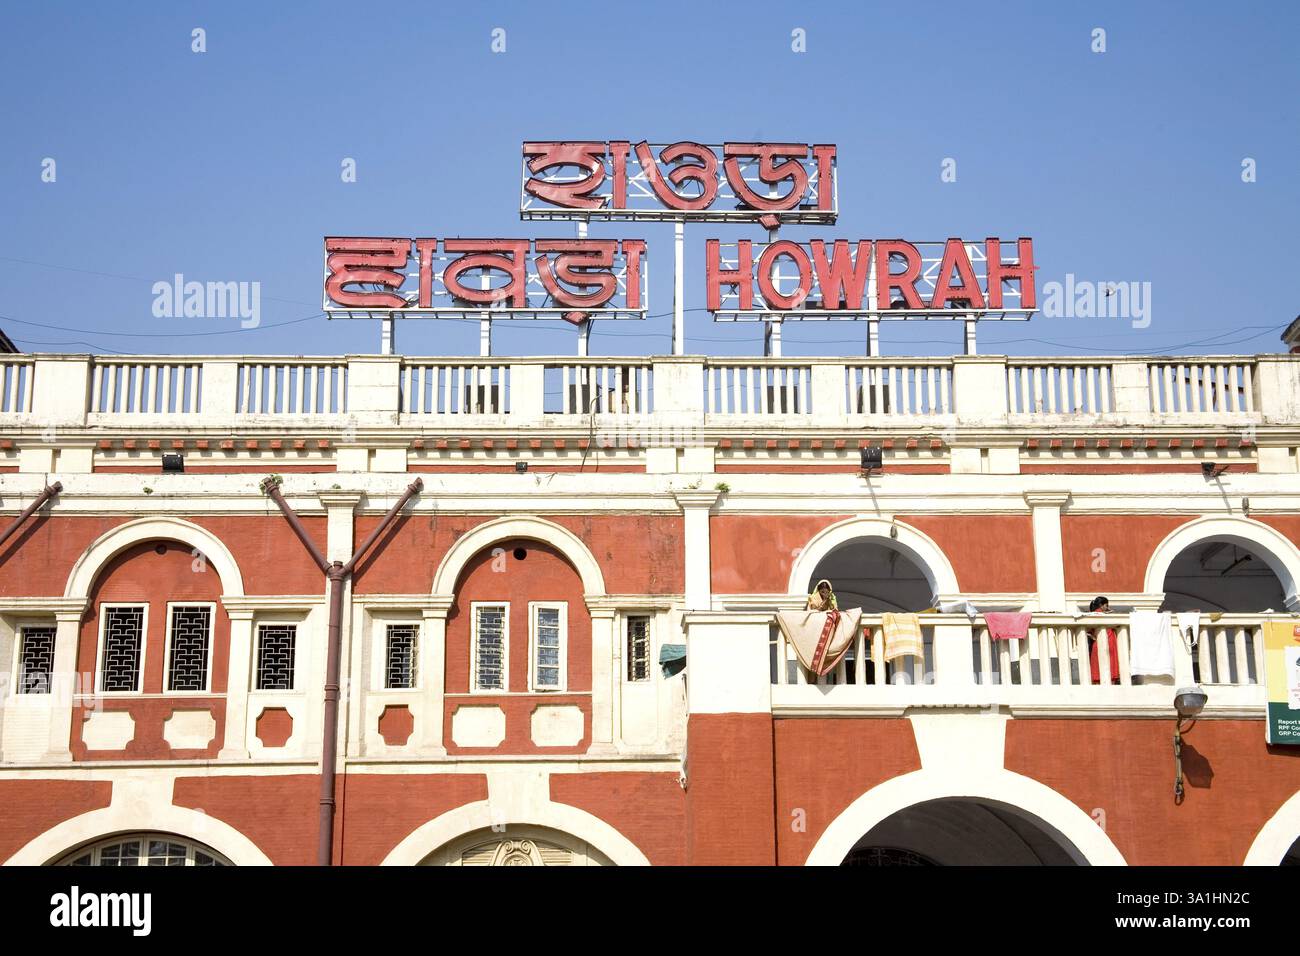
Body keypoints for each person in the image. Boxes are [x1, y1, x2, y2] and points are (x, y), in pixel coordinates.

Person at [1087, 595, 1120, 684]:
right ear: (1101, 605)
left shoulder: (1092, 615)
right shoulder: (1104, 616)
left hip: (1098, 644)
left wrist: (1093, 637)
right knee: (1110, 667)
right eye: (1106, 605)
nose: (1108, 607)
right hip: (1109, 644)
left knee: (1098, 667)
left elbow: (1088, 631)